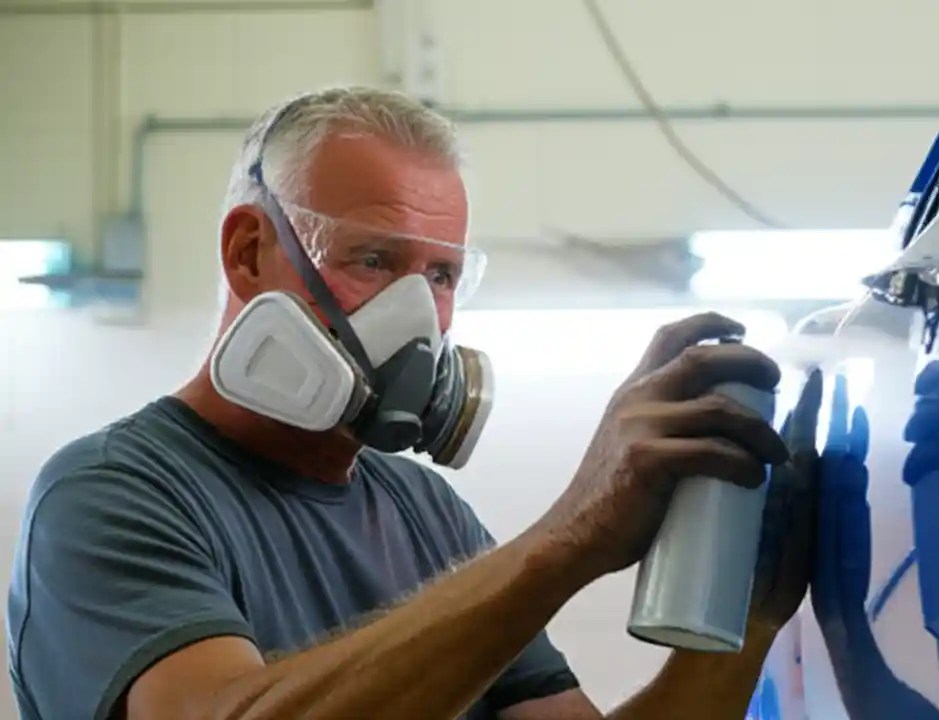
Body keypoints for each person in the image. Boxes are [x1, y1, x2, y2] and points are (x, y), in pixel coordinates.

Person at [6, 86, 822, 720]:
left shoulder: (426, 514)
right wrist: (573, 533)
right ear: (249, 253)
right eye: (371, 260)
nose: (417, 315)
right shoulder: (112, 494)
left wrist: (747, 619)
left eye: (441, 274)